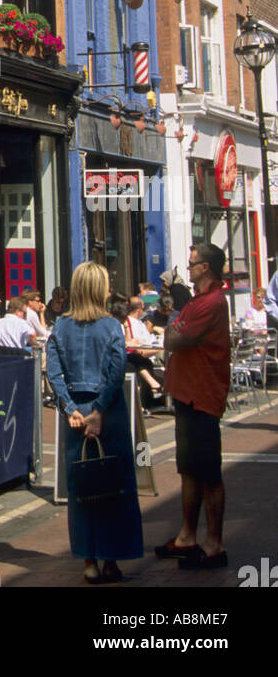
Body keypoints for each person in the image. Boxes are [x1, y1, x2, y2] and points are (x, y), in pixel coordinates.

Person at [45, 261, 143, 584]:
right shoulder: (112, 326)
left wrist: (70, 408)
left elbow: (54, 371)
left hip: (76, 413)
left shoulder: (60, 326)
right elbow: (116, 373)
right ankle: (112, 559)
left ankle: (89, 561)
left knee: (83, 489)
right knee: (113, 485)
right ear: (99, 290)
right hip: (109, 411)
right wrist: (98, 409)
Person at [156, 242, 231, 569]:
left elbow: (173, 339)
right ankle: (188, 536)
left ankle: (213, 544)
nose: (188, 268)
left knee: (208, 473)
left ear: (205, 268)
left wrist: (176, 317)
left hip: (201, 396)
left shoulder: (211, 302)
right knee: (189, 470)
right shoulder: (201, 301)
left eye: (192, 263)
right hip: (189, 394)